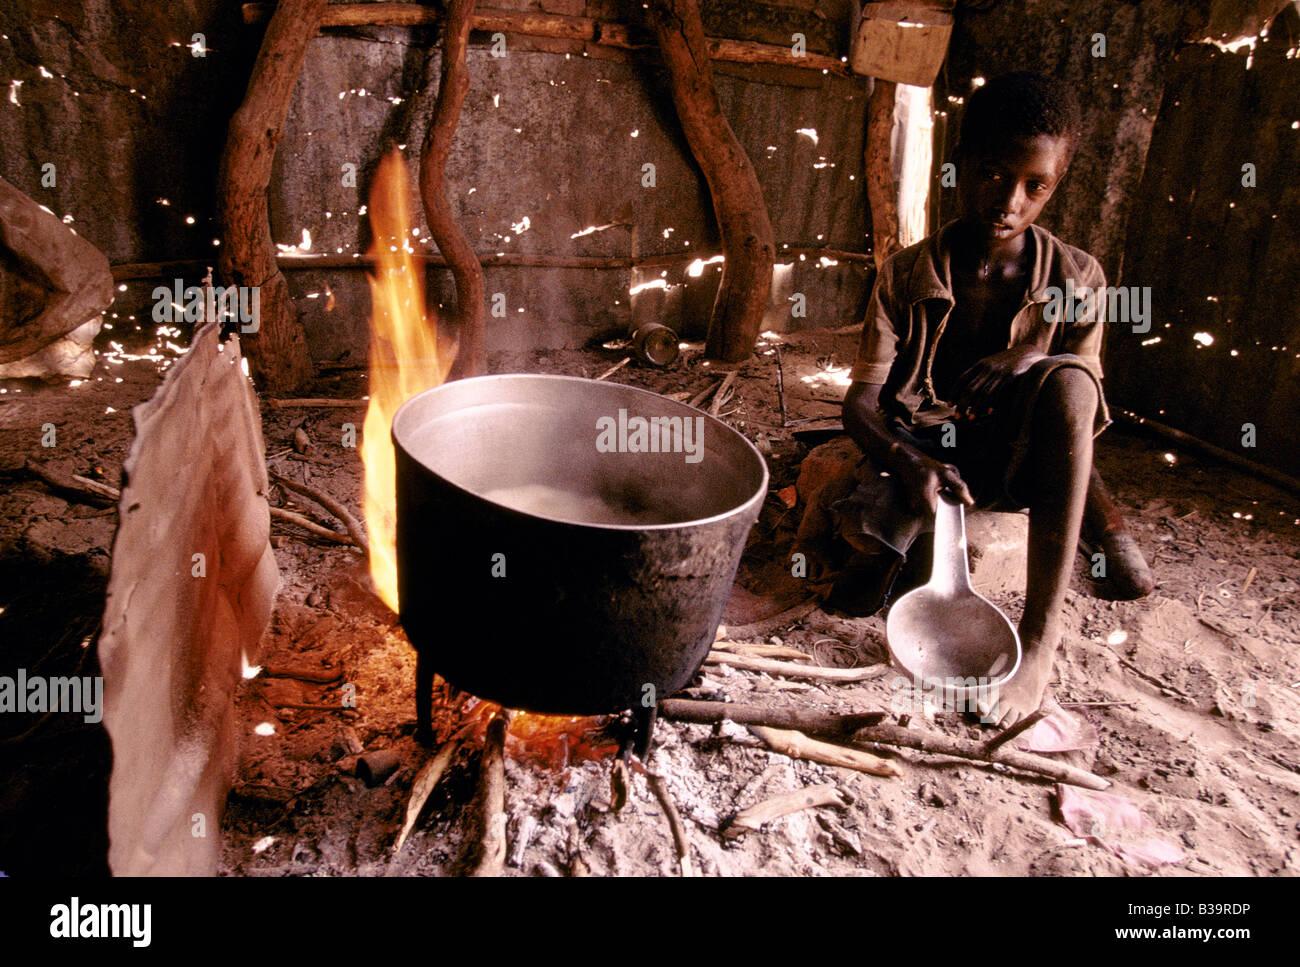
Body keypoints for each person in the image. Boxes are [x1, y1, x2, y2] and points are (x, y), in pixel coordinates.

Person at [840, 71, 1151, 728]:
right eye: (992, 174)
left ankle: (1037, 645)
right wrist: (907, 460)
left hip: (1017, 459)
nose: (1011, 200)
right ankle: (910, 537)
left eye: (1036, 186)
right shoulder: (903, 276)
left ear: (1054, 185)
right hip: (929, 451)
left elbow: (1082, 398)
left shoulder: (1078, 278)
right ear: (959, 165)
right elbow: (860, 402)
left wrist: (1031, 357)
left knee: (1067, 381)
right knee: (856, 593)